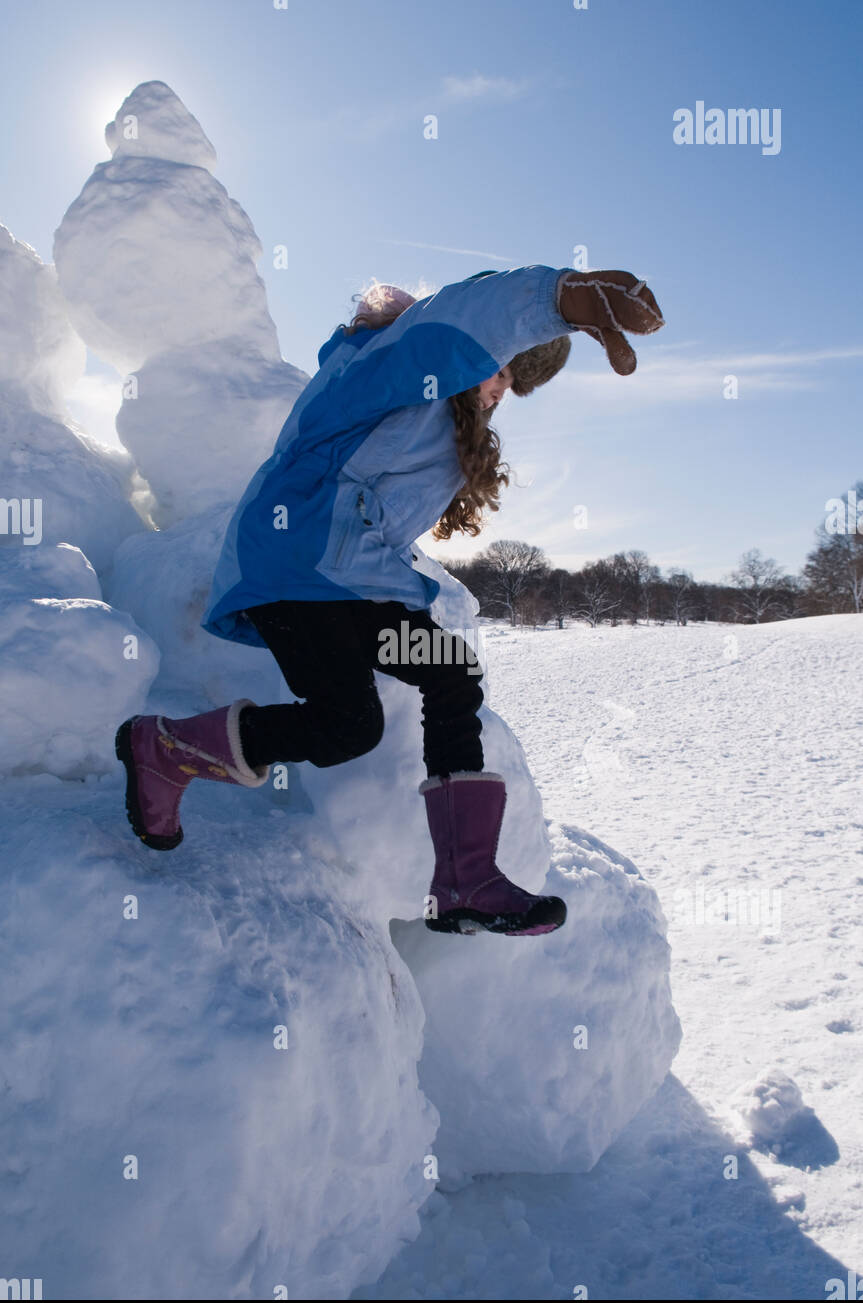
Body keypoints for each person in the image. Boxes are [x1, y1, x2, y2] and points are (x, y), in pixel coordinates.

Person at [115, 265, 664, 936]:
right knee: (348, 724)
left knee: (449, 672)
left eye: (514, 384)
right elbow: (456, 322)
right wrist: (554, 299)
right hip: (296, 567)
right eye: (502, 368)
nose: (500, 389)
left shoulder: (441, 419)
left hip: (351, 581)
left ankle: (466, 880)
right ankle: (164, 749)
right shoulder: (382, 369)